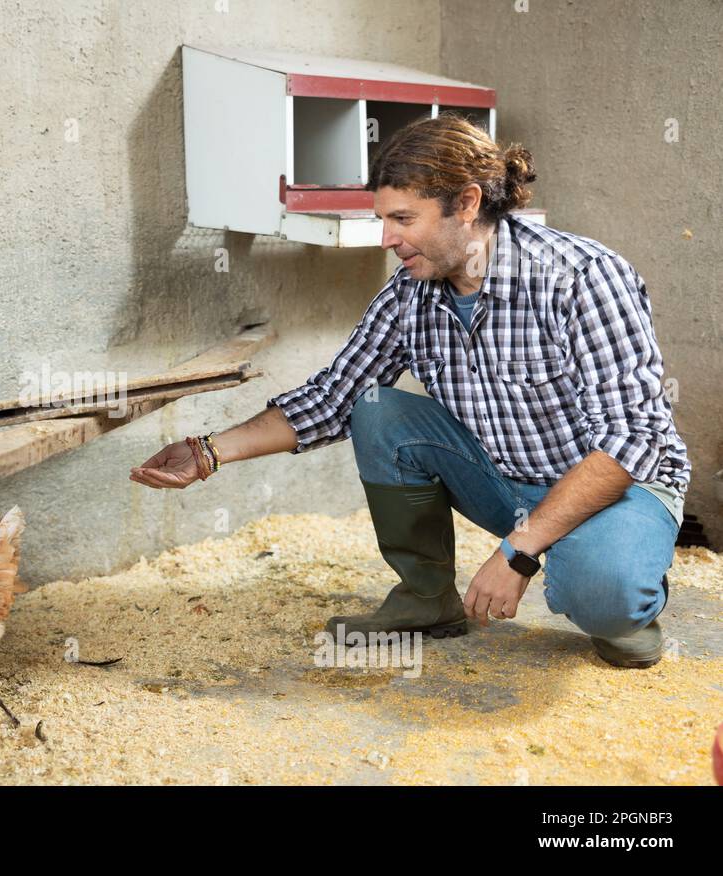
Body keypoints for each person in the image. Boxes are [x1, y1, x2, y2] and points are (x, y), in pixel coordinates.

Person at [130, 115, 689, 669]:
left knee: (604, 597)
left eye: (403, 218)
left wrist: (516, 553)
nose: (387, 239)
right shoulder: (410, 293)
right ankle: (427, 599)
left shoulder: (581, 277)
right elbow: (335, 399)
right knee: (375, 409)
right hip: (505, 479)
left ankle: (625, 594)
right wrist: (208, 452)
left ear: (467, 204)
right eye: (382, 219)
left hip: (615, 486)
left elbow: (629, 440)